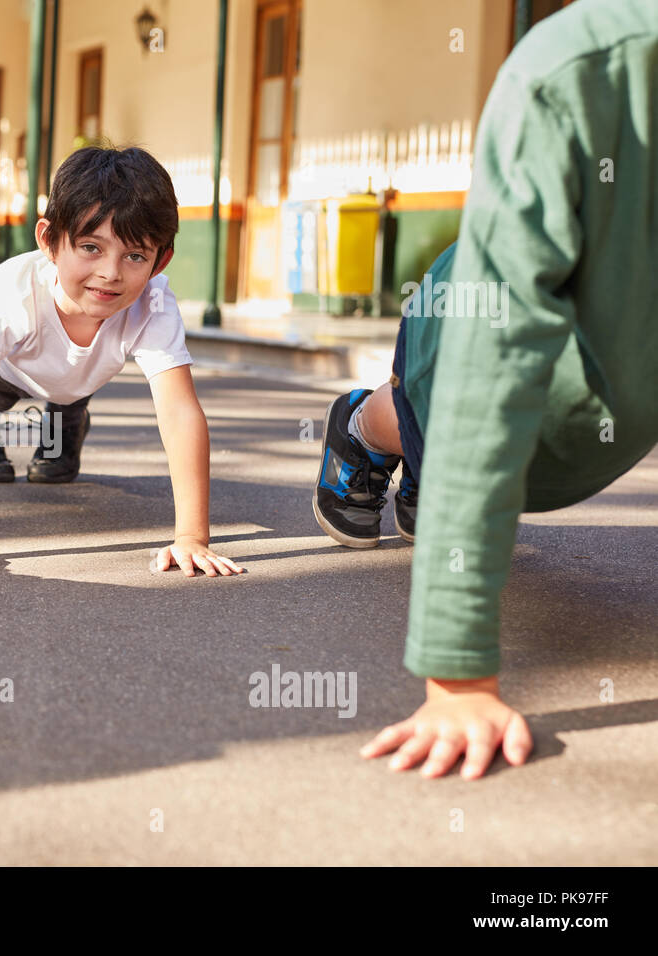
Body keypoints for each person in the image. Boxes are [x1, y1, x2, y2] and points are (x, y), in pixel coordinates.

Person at [312, 0, 658, 779]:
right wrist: (460, 676)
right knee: (441, 425)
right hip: (463, 337)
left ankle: (429, 478)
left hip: (601, 421)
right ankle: (366, 428)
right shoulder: (575, 70)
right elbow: (490, 369)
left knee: (482, 472)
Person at [0, 145, 244, 580]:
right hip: (11, 371)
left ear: (160, 261)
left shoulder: (153, 303)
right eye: (91, 247)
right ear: (49, 242)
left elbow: (179, 411)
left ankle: (65, 426)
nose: (110, 273)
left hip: (79, 379)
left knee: (61, 440)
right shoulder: (7, 296)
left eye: (135, 256)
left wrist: (192, 537)